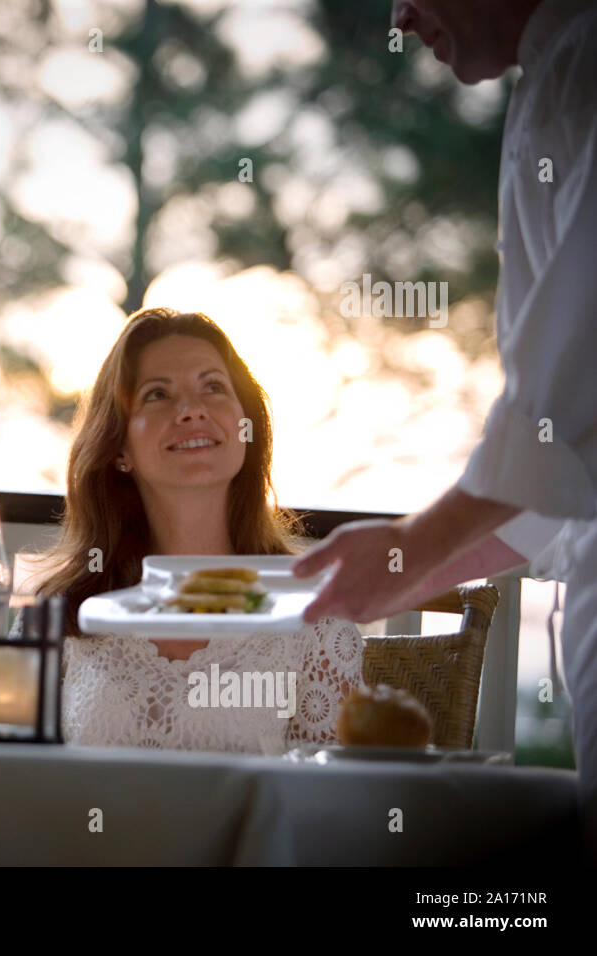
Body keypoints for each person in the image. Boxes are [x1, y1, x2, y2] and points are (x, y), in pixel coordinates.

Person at [295, 0, 597, 859]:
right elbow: (563, 478)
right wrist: (393, 574)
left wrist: (409, 545)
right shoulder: (557, 73)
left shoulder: (585, 63)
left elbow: (562, 401)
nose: (398, 12)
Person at [30, 307, 362, 754]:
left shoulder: (315, 616)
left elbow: (332, 802)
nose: (191, 410)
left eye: (213, 387)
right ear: (120, 447)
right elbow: (15, 782)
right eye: (157, 395)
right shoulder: (58, 614)